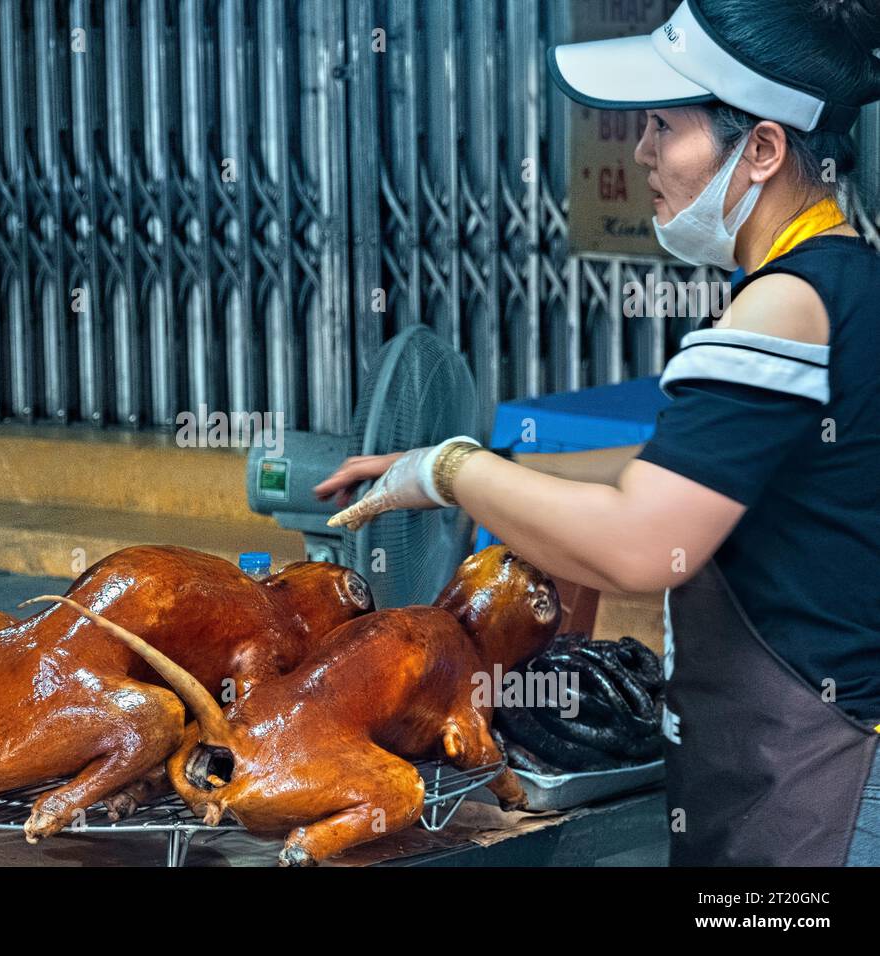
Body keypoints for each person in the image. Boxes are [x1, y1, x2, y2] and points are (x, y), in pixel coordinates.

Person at [317, 0, 880, 866]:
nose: (642, 152)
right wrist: (510, 472)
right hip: (803, 769)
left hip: (820, 789)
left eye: (664, 125)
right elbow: (689, 468)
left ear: (762, 150)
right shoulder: (849, 276)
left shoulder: (787, 304)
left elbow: (644, 542)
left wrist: (455, 469)